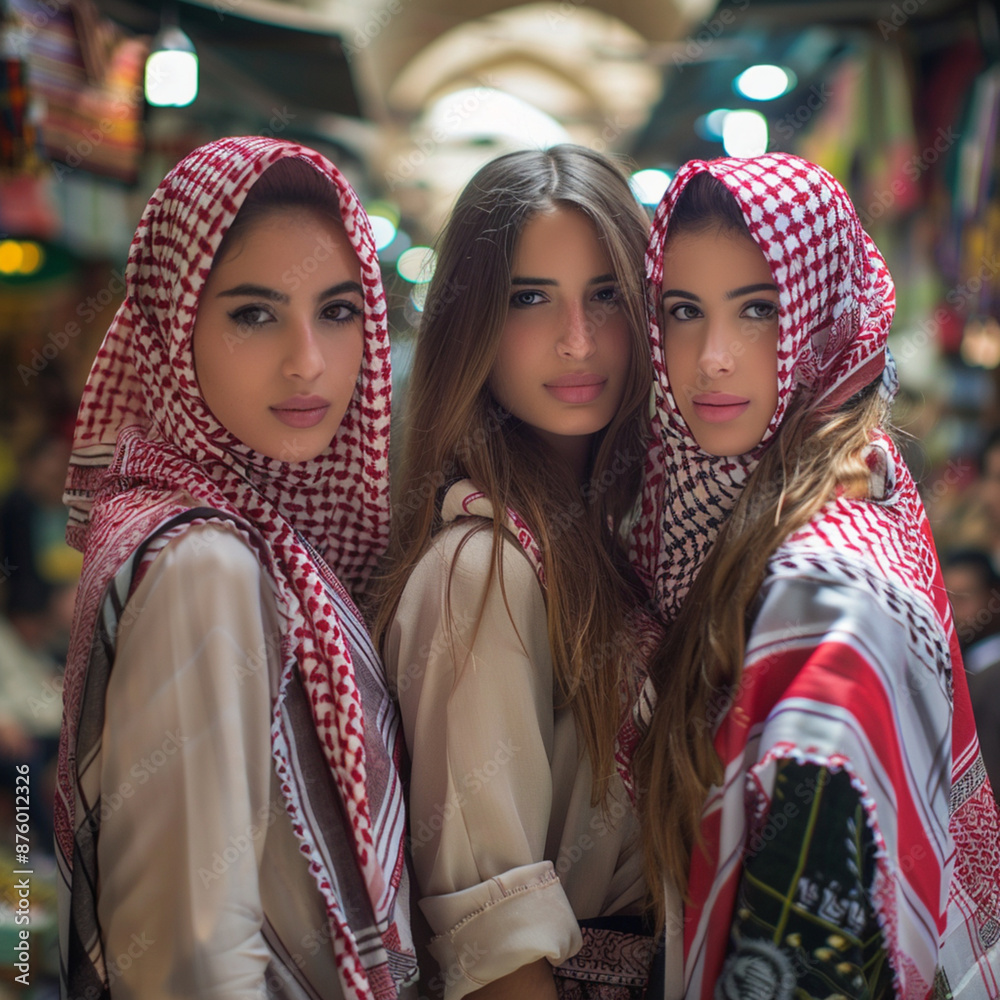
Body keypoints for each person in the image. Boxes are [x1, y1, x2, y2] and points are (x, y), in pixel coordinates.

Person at [630, 154, 1000, 998]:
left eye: (759, 309)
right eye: (684, 312)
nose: (713, 358)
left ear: (828, 320)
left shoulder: (824, 588)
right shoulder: (826, 503)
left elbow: (801, 956)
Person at [56, 136, 416, 1000]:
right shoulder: (204, 562)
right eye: (254, 314)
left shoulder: (216, 530)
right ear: (174, 332)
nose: (308, 362)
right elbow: (190, 963)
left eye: (337, 311)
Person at [373, 145, 656, 1000]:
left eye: (606, 294)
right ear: (472, 326)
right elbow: (495, 948)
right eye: (530, 299)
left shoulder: (624, 535)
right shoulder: (481, 570)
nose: (578, 340)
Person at [943, 547, 1000, 801]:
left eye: (963, 598)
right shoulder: (964, 667)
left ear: (993, 600)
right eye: (947, 600)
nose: (953, 612)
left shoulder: (992, 678)